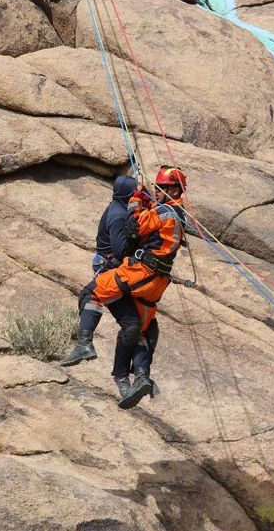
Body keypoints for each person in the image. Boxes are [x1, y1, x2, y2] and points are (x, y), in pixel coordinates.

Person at [62, 166, 188, 409]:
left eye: (162, 188)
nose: (157, 192)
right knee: (139, 327)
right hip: (157, 282)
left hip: (141, 272)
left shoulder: (163, 211)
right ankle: (140, 377)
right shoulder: (178, 212)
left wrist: (135, 205)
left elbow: (133, 230)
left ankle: (84, 344)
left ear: (174, 189)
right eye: (157, 188)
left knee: (92, 292)